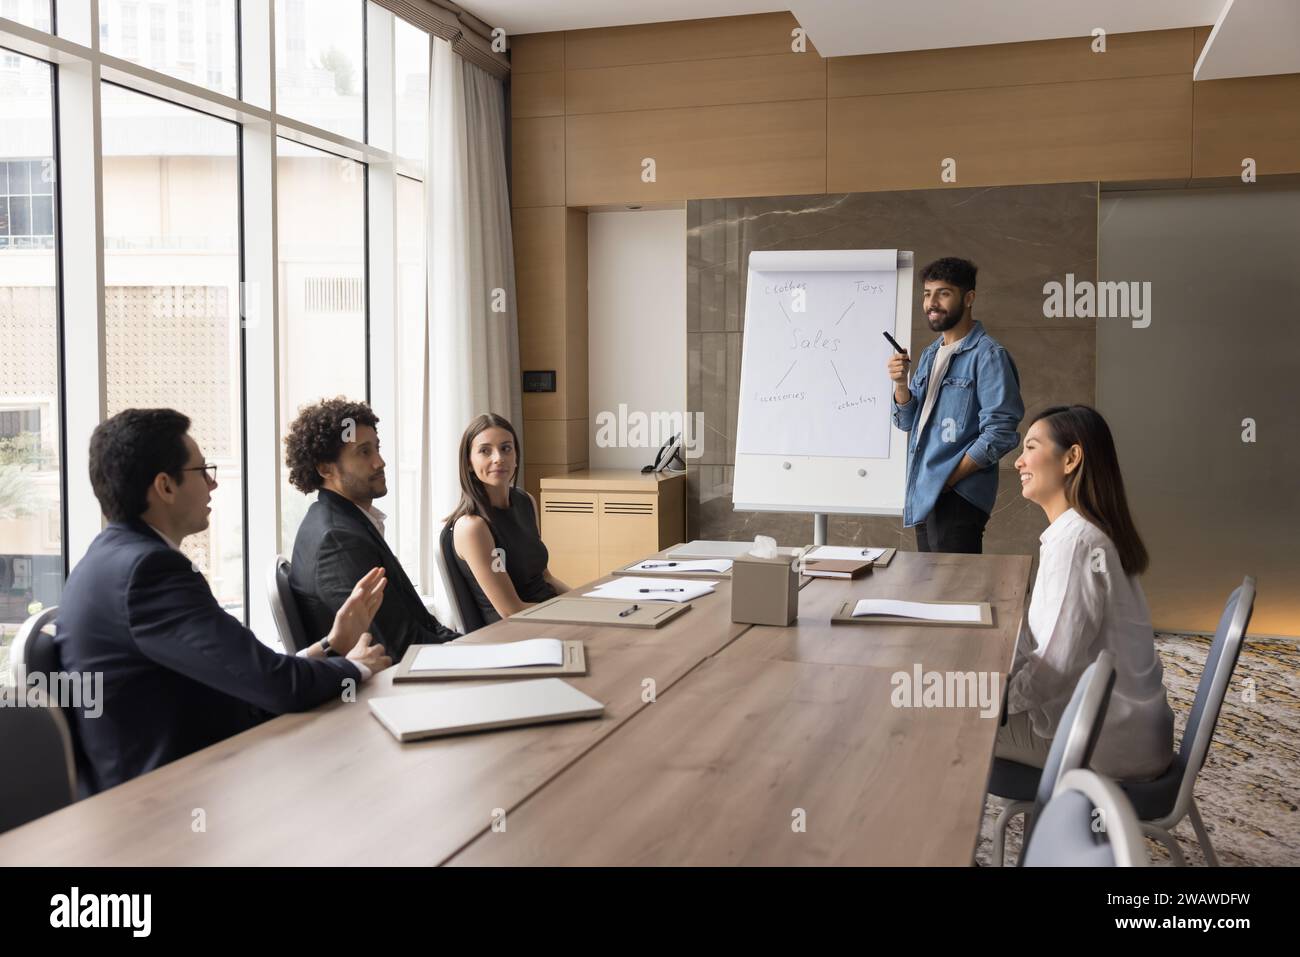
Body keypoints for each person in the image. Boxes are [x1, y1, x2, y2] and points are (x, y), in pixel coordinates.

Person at [56, 408, 390, 795]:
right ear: (165, 486)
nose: (213, 484)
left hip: (188, 781)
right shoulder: (149, 572)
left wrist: (331, 645)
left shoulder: (113, 559)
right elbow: (276, 686)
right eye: (202, 471)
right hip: (165, 806)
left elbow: (248, 675)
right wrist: (355, 668)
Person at [997, 404, 1174, 781]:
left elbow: (1052, 672)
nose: (1018, 462)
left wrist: (994, 704)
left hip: (1103, 747)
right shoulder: (1084, 532)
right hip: (1129, 733)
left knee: (943, 719)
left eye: (1031, 447)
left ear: (1071, 458)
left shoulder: (1077, 543)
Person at [287, 398, 458, 659]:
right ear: (325, 469)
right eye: (364, 452)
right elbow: (398, 647)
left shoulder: (344, 521)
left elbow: (416, 628)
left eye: (377, 449)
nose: (380, 462)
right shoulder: (338, 539)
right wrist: (473, 653)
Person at [886, 257, 1024, 553]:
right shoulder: (930, 354)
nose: (931, 303)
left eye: (943, 293)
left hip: (957, 496)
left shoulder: (988, 356)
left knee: (953, 593)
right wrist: (900, 385)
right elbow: (906, 422)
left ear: (969, 297)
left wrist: (948, 478)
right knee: (931, 591)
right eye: (927, 293)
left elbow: (1000, 432)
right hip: (925, 492)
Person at [448, 413, 570, 624]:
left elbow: (545, 577)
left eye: (506, 448)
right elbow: (510, 610)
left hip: (549, 614)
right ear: (469, 462)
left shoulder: (525, 501)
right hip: (517, 629)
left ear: (516, 456)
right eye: (485, 451)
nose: (498, 458)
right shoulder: (473, 527)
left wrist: (584, 601)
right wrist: (570, 615)